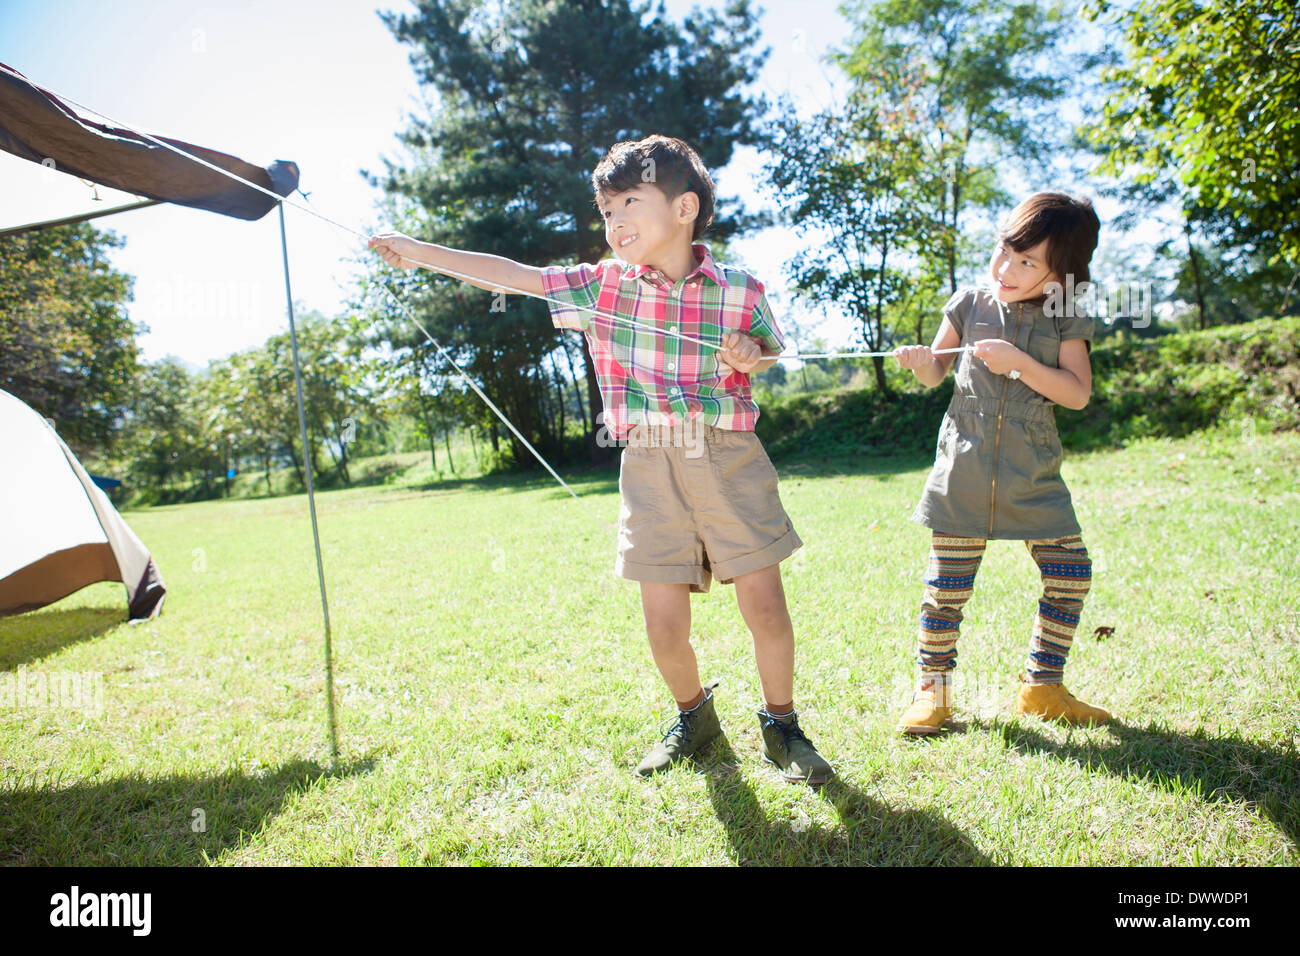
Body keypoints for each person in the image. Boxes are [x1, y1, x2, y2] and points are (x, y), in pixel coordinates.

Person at [369, 135, 833, 784]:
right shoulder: (601, 288)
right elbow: (515, 275)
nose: (613, 224)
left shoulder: (739, 287)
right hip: (649, 463)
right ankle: (694, 717)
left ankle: (782, 726)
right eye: (606, 212)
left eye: (628, 205)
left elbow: (770, 347)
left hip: (729, 456)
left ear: (684, 208)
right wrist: (421, 254)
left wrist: (753, 353)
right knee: (663, 622)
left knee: (765, 606)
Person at [892, 191, 1113, 735]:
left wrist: (1017, 364)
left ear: (1060, 277)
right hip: (963, 469)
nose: (1006, 269)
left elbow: (1077, 391)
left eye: (1027, 262)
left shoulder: (1066, 316)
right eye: (1004, 252)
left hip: (1032, 471)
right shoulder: (969, 303)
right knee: (946, 590)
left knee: (1071, 574)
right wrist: (920, 361)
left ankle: (1043, 687)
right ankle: (933, 696)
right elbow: (934, 373)